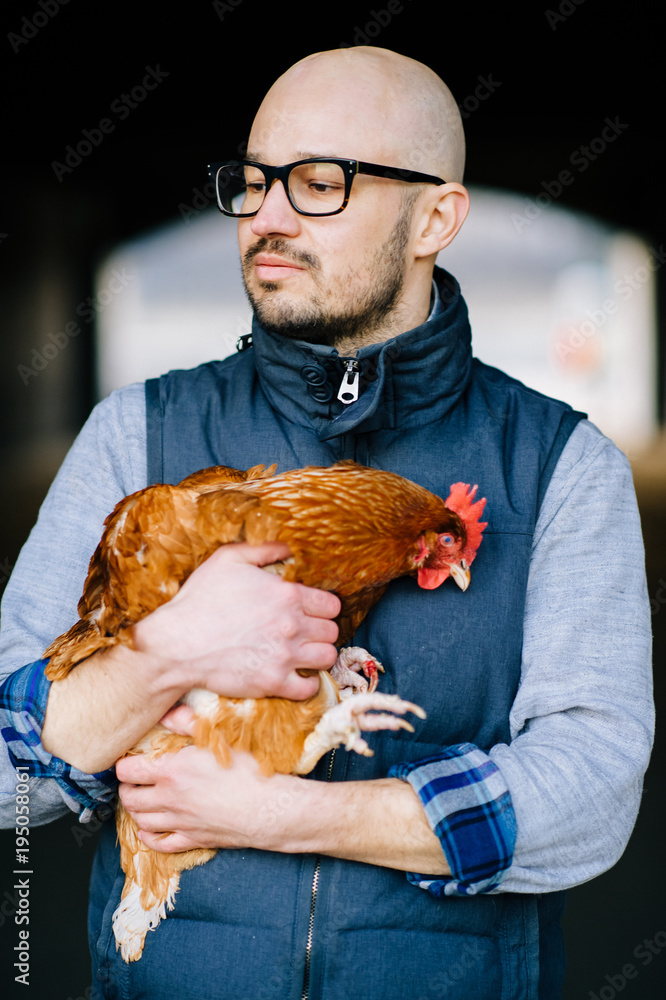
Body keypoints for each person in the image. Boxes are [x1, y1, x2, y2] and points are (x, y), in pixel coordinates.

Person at [0, 46, 653, 1000]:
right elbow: (9, 780)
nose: (266, 217)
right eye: (252, 181)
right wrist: (168, 656)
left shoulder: (562, 467)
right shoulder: (138, 433)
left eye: (319, 184)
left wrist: (279, 814)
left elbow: (590, 791)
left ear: (436, 218)